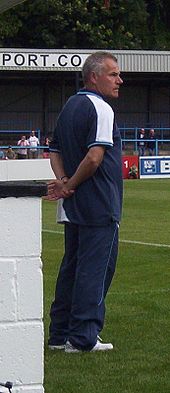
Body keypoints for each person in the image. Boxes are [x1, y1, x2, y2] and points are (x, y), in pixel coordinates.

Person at [46, 51, 123, 353]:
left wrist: (64, 182)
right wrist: (71, 185)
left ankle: (59, 334)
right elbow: (95, 157)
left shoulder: (70, 106)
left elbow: (53, 149)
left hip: (74, 205)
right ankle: (82, 338)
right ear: (94, 76)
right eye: (113, 74)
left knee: (72, 268)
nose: (120, 80)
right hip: (99, 203)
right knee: (96, 269)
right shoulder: (101, 109)